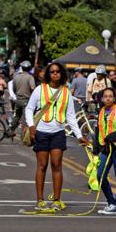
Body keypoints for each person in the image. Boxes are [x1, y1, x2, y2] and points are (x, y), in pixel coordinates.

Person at [25, 62, 89, 212]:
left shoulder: (66, 92)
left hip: (58, 133)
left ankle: (56, 200)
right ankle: (40, 200)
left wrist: (79, 135)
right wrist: (32, 126)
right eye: (52, 72)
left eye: (58, 71)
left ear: (62, 74)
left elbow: (71, 116)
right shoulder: (40, 89)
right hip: (41, 132)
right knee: (42, 166)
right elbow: (29, 109)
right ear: (48, 74)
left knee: (57, 165)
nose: (55, 74)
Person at [8, 61, 35, 134]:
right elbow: (33, 88)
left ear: (22, 68)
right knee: (26, 118)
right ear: (29, 68)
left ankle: (10, 131)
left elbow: (14, 89)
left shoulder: (16, 77)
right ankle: (25, 134)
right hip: (27, 100)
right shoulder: (30, 77)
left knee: (17, 116)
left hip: (18, 100)